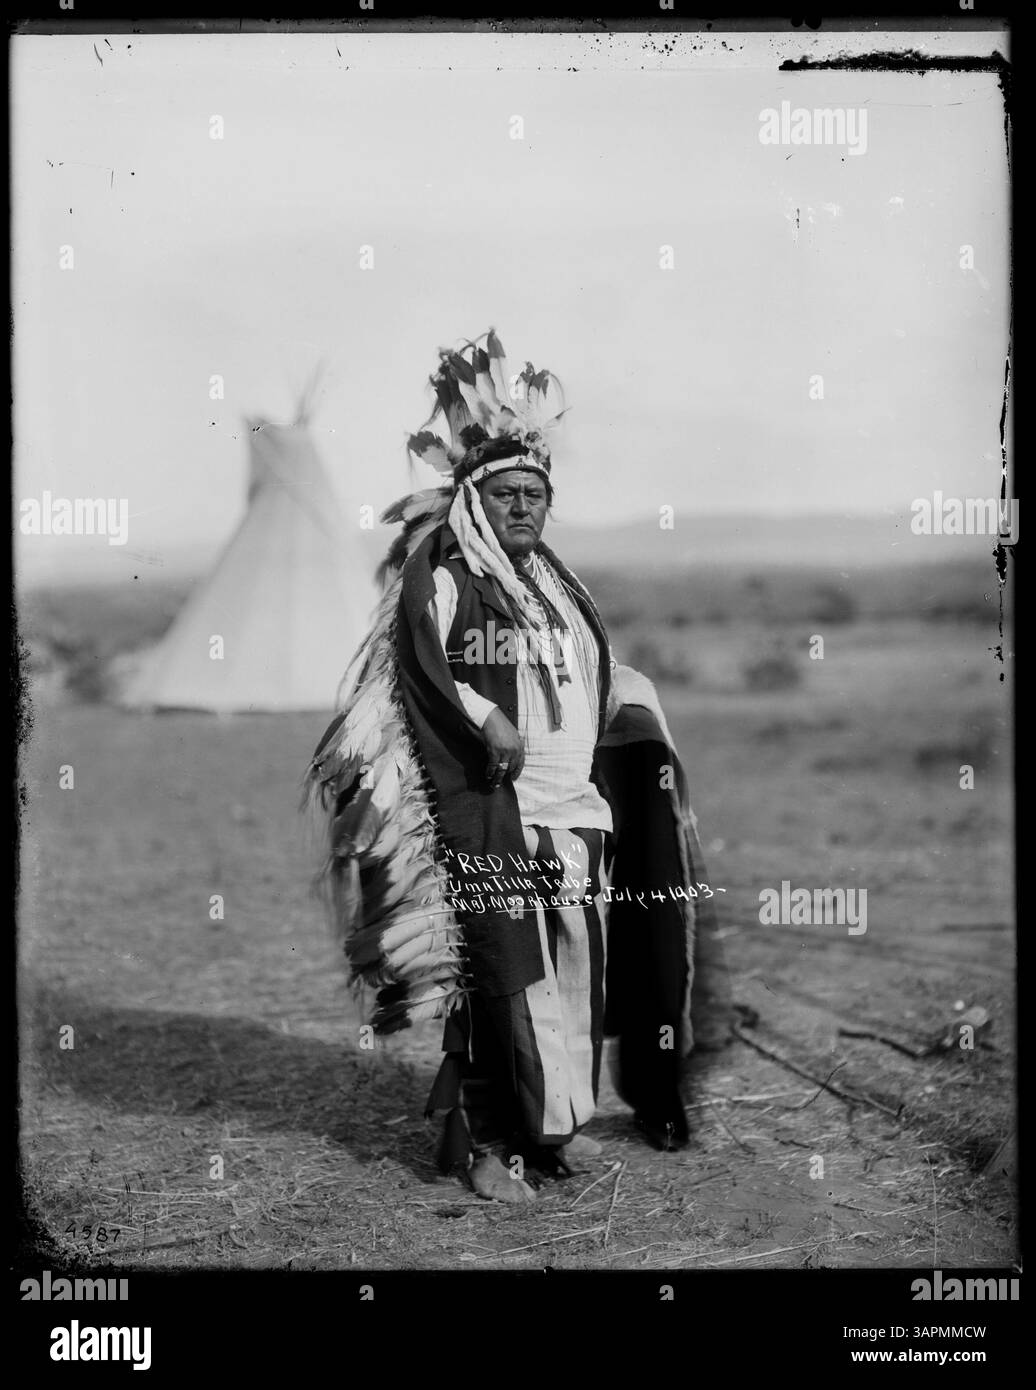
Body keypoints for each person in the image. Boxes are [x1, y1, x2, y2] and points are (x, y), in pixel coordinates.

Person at [305, 330, 730, 1204]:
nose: (525, 507)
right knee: (501, 983)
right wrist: (485, 711)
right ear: (471, 501)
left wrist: (643, 727)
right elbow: (418, 666)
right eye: (506, 493)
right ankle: (492, 1140)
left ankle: (551, 1134)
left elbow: (596, 682)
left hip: (579, 820)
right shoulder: (449, 575)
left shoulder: (560, 589)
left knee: (575, 981)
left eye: (537, 493)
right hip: (498, 819)